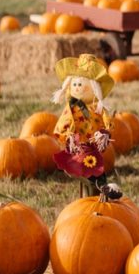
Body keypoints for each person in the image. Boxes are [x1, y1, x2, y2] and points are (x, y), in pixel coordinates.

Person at [51, 53, 124, 200]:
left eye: (82, 85)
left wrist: (104, 133)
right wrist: (69, 136)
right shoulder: (71, 107)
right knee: (85, 168)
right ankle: (97, 190)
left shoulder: (97, 108)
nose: (78, 88)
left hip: (92, 147)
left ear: (94, 88)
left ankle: (98, 191)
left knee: (95, 168)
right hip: (77, 146)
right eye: (75, 84)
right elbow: (64, 123)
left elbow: (107, 123)